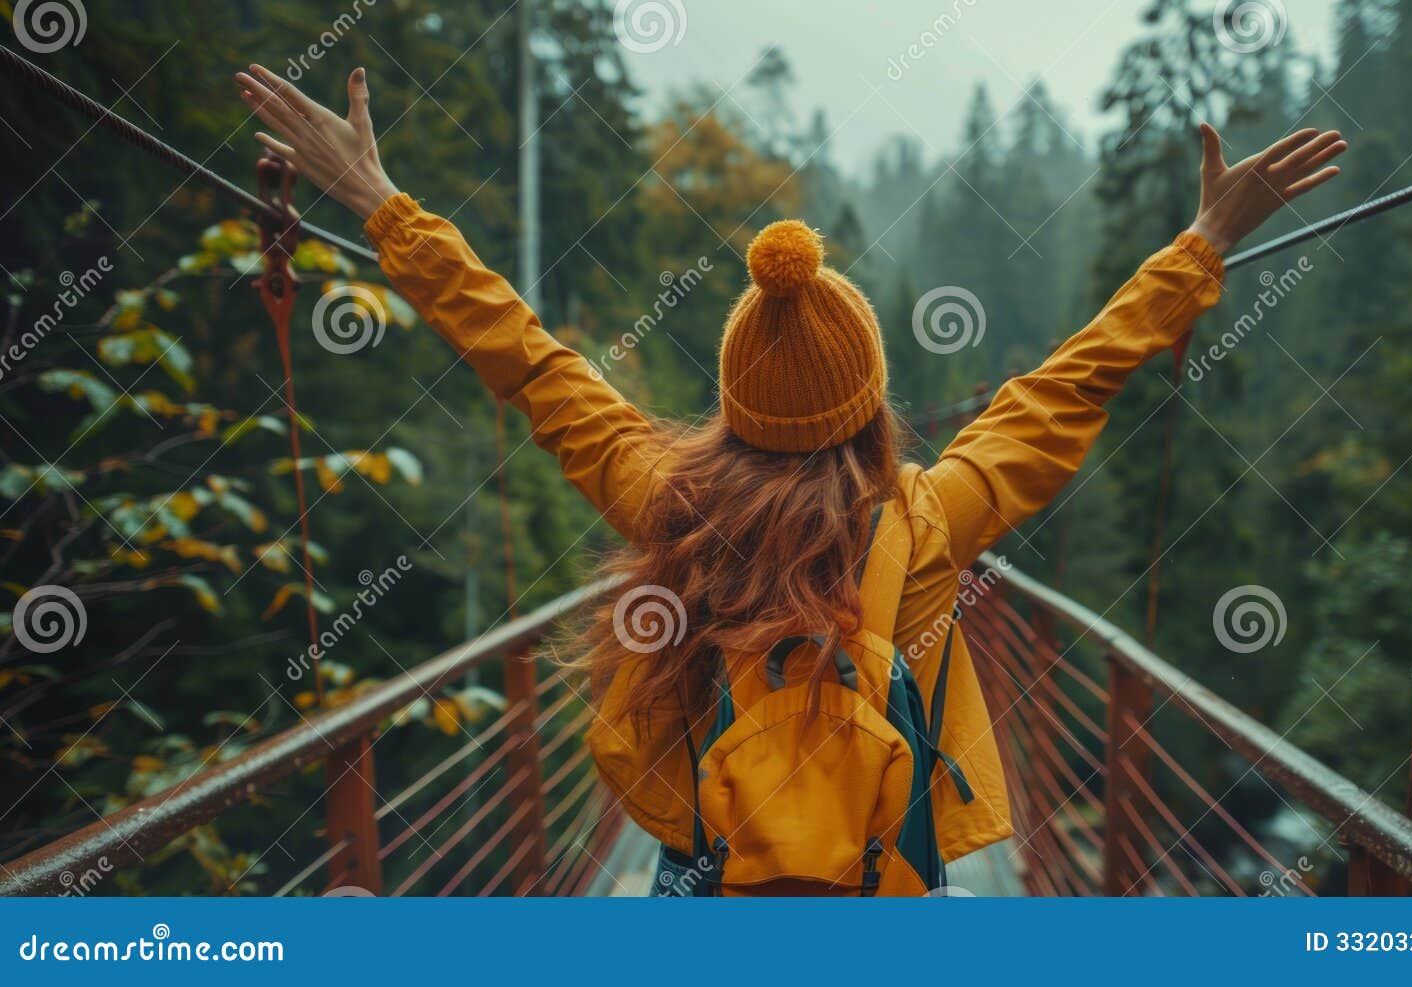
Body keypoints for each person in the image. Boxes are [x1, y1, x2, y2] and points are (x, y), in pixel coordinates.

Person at [236, 64, 1345, 895]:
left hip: (711, 868)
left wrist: (381, 200)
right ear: (870, 404)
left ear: (732, 398)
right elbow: (1072, 383)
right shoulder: (930, 518)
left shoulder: (662, 492)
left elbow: (528, 360)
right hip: (879, 876)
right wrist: (1200, 242)